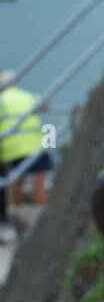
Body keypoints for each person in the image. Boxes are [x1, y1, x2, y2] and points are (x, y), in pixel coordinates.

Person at [0, 70, 52, 241]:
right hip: (36, 144)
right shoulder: (27, 96)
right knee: (40, 182)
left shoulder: (2, 101)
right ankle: (43, 216)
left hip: (12, 148)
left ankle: (16, 211)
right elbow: (45, 105)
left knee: (17, 182)